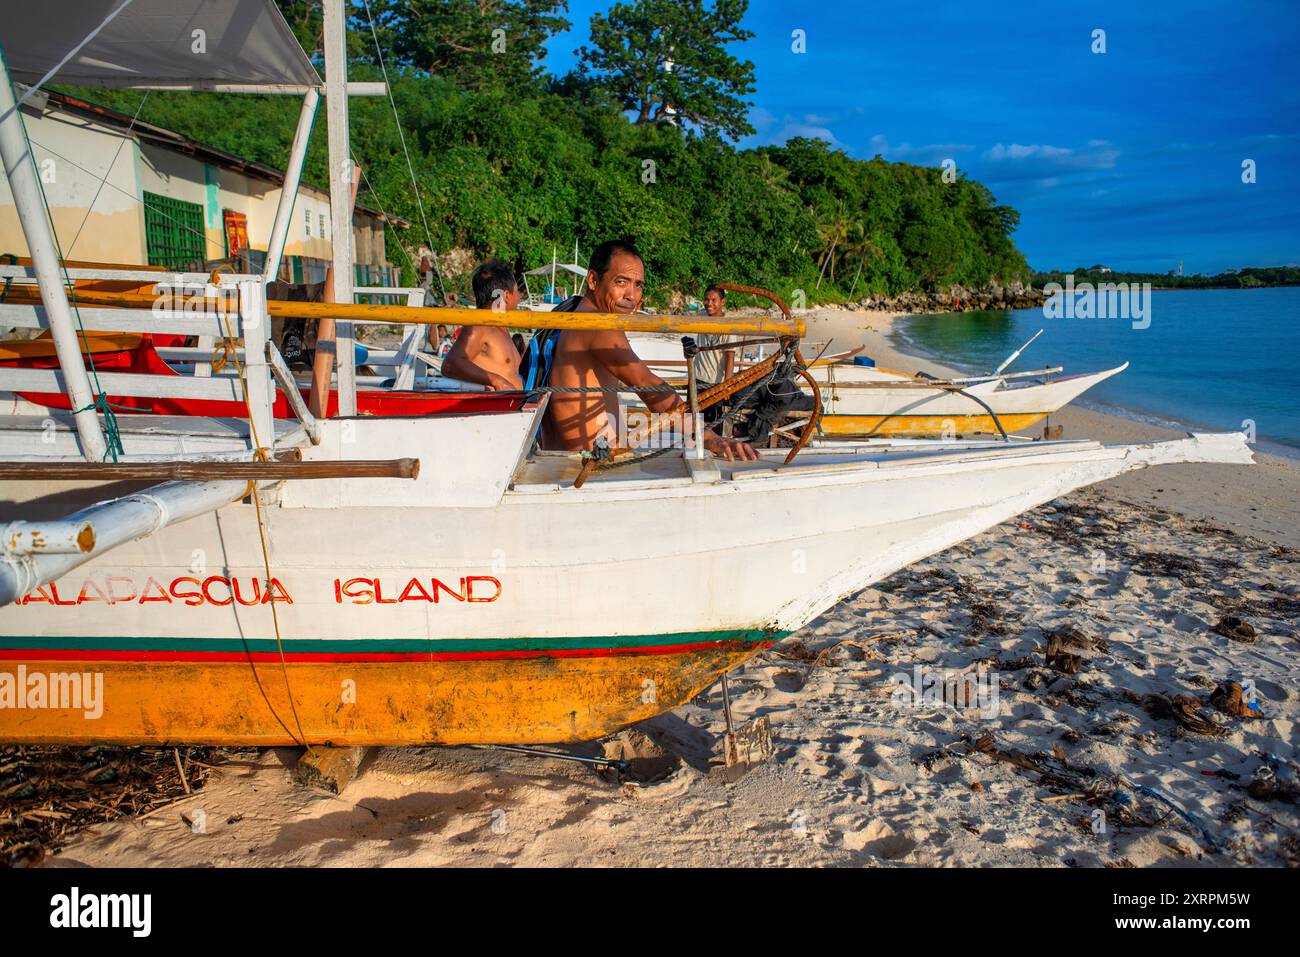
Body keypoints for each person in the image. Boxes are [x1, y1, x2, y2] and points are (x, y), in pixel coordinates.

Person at [541, 239, 757, 461]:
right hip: (587, 467)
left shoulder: (572, 312)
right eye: (622, 282)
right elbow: (647, 385)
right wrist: (709, 438)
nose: (632, 295)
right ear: (594, 280)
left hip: (566, 459)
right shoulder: (599, 324)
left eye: (638, 285)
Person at [440, 260, 522, 391]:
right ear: (506, 296)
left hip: (512, 406)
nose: (519, 296)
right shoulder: (480, 326)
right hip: (492, 407)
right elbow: (451, 364)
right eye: (517, 291)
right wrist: (496, 381)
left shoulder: (500, 329)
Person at [692, 284, 739, 426]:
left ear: (722, 302)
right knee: (692, 420)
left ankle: (707, 447)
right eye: (706, 300)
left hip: (714, 381)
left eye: (713, 300)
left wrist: (727, 386)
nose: (709, 304)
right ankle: (690, 447)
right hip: (696, 378)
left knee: (710, 423)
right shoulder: (701, 316)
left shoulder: (727, 325)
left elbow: (730, 357)